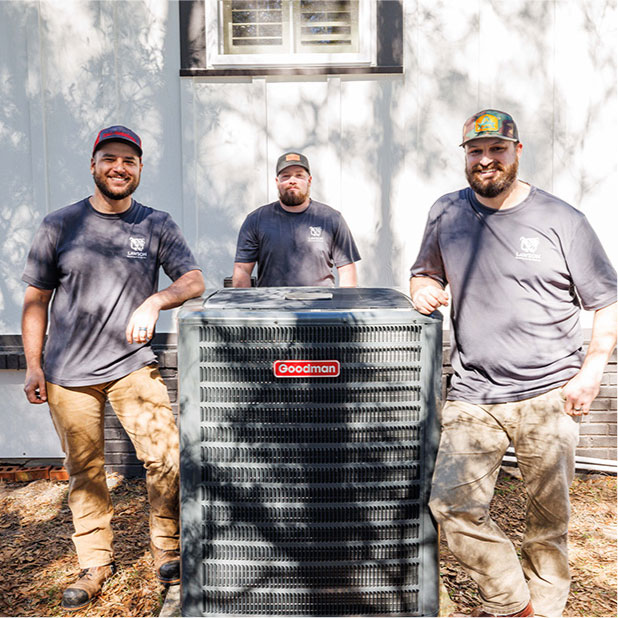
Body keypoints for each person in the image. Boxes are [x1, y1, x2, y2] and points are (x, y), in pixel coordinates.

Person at [409, 109, 616, 617]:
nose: (486, 160)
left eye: (497, 149)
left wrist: (592, 371)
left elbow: (606, 302)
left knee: (548, 524)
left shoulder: (562, 220)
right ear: (465, 156)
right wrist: (423, 287)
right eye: (476, 151)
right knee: (451, 507)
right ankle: (514, 603)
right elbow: (425, 273)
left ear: (517, 152)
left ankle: (544, 611)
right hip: (473, 392)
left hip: (550, 394)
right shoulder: (447, 212)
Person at [21, 125, 205, 612]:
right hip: (67, 373)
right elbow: (35, 301)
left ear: (140, 168)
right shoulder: (59, 224)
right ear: (93, 165)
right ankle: (95, 562)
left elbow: (193, 280)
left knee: (165, 455)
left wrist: (156, 301)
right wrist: (33, 366)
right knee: (85, 470)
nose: (119, 167)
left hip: (131, 366)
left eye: (129, 160)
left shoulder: (155, 224)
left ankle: (167, 549)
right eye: (110, 159)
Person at [232, 152, 361, 287]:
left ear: (309, 180)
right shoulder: (256, 220)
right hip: (272, 306)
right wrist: (245, 306)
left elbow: (347, 269)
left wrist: (345, 305)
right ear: (277, 182)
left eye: (299, 175)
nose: (292, 180)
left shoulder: (331, 219)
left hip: (321, 305)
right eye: (286, 176)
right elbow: (242, 270)